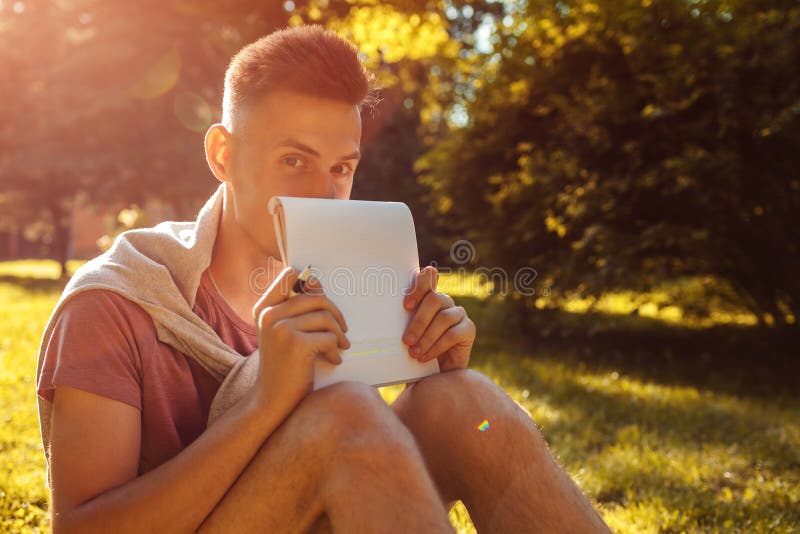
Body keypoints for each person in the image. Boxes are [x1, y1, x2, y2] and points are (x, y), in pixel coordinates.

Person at [36, 25, 609, 533]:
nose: (323, 193)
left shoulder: (344, 290)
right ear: (221, 154)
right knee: (345, 418)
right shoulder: (115, 302)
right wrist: (264, 402)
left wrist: (426, 368)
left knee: (463, 400)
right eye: (294, 160)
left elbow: (349, 472)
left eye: (341, 168)